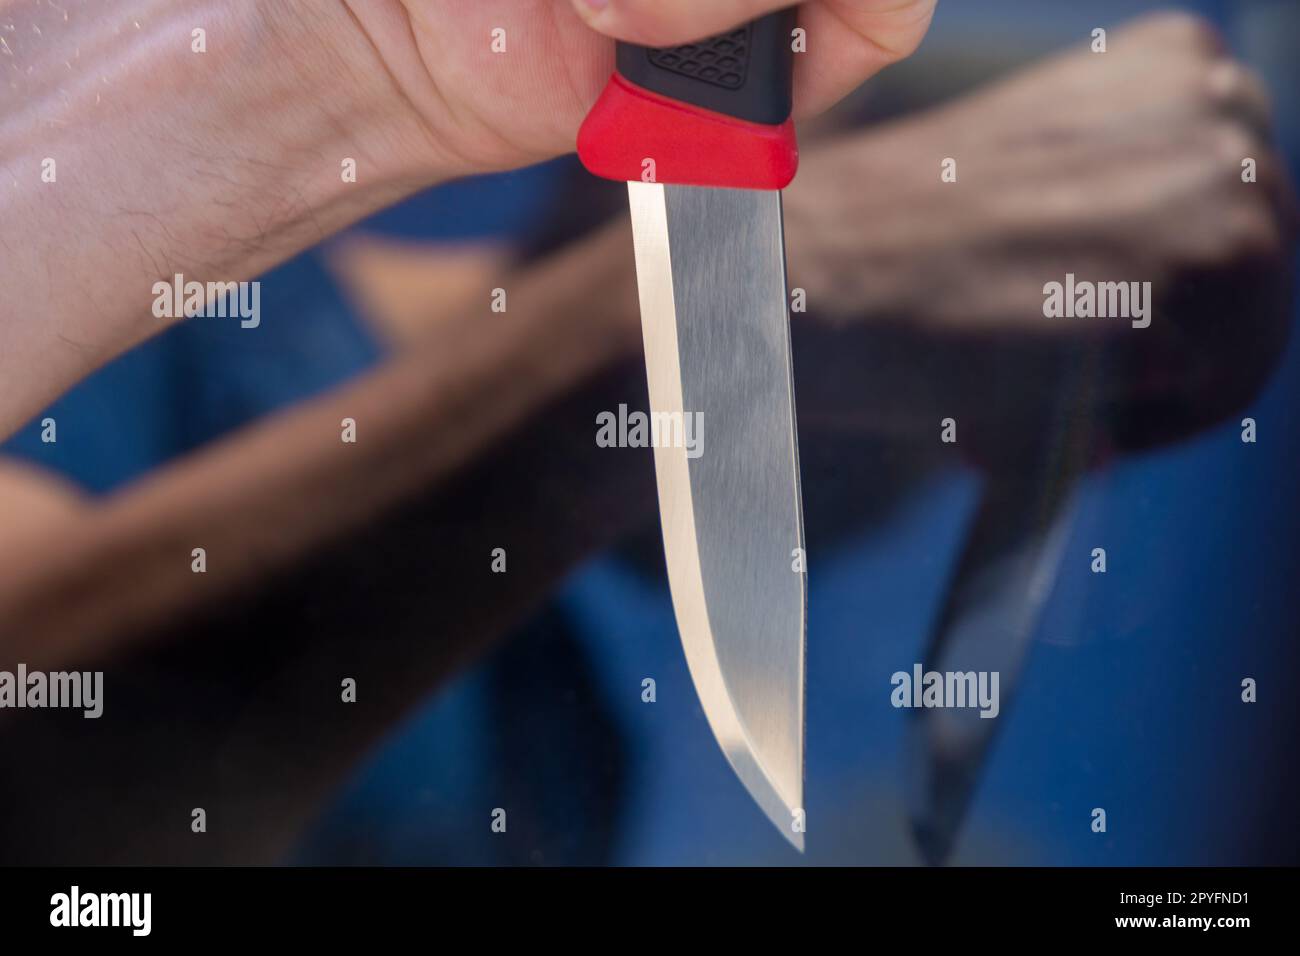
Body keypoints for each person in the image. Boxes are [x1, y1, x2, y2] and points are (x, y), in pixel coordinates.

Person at [0, 3, 1293, 863]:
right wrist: (672, 325)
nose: (909, 436)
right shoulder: (121, 297)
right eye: (925, 314)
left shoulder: (555, 769)